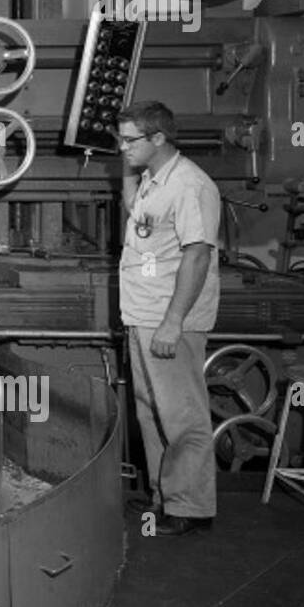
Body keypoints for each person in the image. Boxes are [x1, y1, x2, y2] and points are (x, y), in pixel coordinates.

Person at [117, 101, 221, 536]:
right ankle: (165, 495)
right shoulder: (151, 181)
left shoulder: (190, 185)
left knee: (182, 416)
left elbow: (197, 256)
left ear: (159, 138)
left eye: (129, 140)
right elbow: (135, 212)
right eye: (119, 140)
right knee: (152, 412)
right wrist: (127, 164)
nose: (122, 148)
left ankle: (191, 507)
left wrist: (174, 322)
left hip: (167, 318)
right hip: (143, 313)